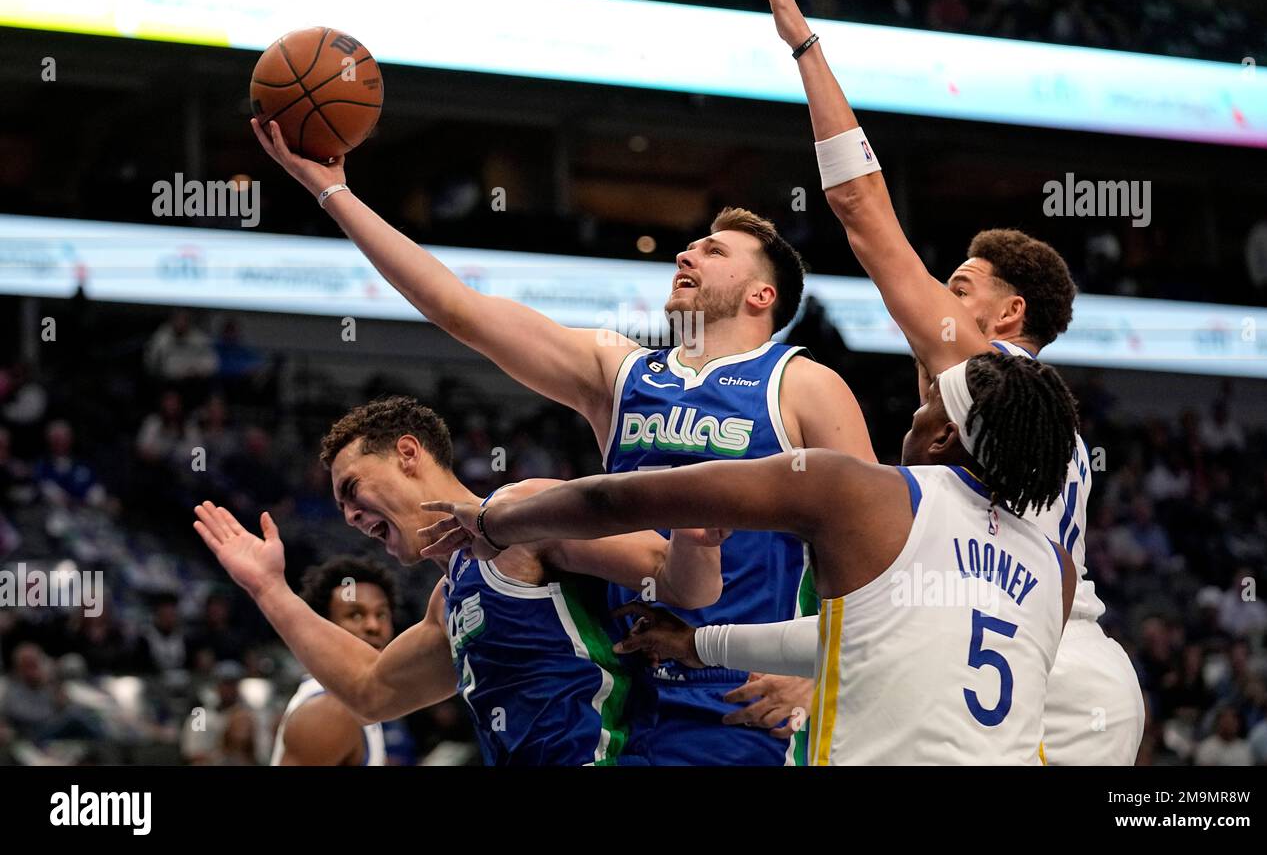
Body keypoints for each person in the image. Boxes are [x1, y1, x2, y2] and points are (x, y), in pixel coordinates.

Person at [251, 100, 877, 765]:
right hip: (641, 706)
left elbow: (878, 547)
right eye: (690, 243)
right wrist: (334, 191)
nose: (686, 253)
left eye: (714, 250)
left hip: (751, 708)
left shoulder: (802, 384)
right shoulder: (620, 373)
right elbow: (460, 309)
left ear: (761, 295)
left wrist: (821, 667)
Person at [747, 0, 1141, 765]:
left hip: (1046, 671)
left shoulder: (992, 376)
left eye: (959, 288)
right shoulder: (1020, 417)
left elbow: (860, 208)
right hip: (1020, 655)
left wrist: (805, 45)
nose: (935, 304)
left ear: (1009, 315)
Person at [427, 353, 1078, 765]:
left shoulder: (862, 490)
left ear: (942, 434)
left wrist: (494, 517)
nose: (912, 411)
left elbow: (615, 499)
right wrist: (702, 647)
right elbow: (866, 638)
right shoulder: (1055, 566)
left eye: (927, 401)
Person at [195, 396, 723, 765]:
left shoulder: (521, 511)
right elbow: (371, 692)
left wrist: (696, 527)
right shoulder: (450, 596)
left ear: (407, 454)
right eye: (340, 508)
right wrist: (269, 589)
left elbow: (680, 583)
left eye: (353, 489)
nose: (351, 516)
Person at [270, 555, 398, 765]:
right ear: (323, 628)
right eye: (355, 615)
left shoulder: (359, 701)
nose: (373, 626)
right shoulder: (331, 711)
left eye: (382, 614)